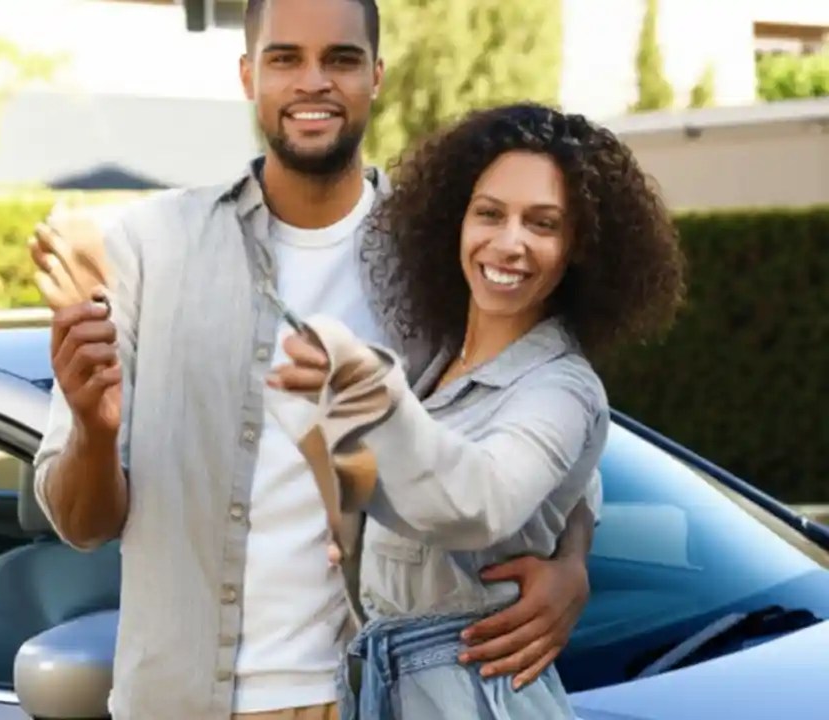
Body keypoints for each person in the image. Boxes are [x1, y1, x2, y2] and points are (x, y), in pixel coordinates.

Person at [30, 1, 596, 718]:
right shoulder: (152, 247)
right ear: (248, 75)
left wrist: (573, 562)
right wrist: (95, 429)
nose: (313, 83)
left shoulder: (439, 262)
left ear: (376, 76)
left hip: (367, 698)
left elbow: (544, 432)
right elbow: (80, 522)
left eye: (341, 59)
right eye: (285, 58)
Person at [268, 103, 686, 718]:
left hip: (474, 697)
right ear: (454, 223)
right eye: (489, 214)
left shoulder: (562, 387)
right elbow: (572, 480)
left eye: (543, 224)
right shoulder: (429, 360)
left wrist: (372, 394)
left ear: (579, 248)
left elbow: (478, 500)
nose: (509, 243)